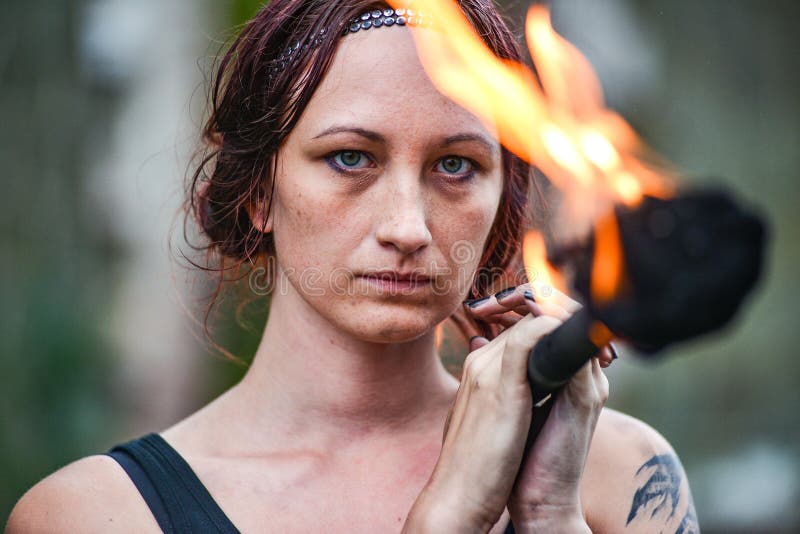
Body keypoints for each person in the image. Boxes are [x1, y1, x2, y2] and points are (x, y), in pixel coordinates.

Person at [7, 1, 699, 532]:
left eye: (455, 166)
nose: (408, 227)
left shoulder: (616, 477)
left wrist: (547, 514)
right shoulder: (100, 514)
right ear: (256, 193)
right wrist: (447, 514)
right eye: (350, 157)